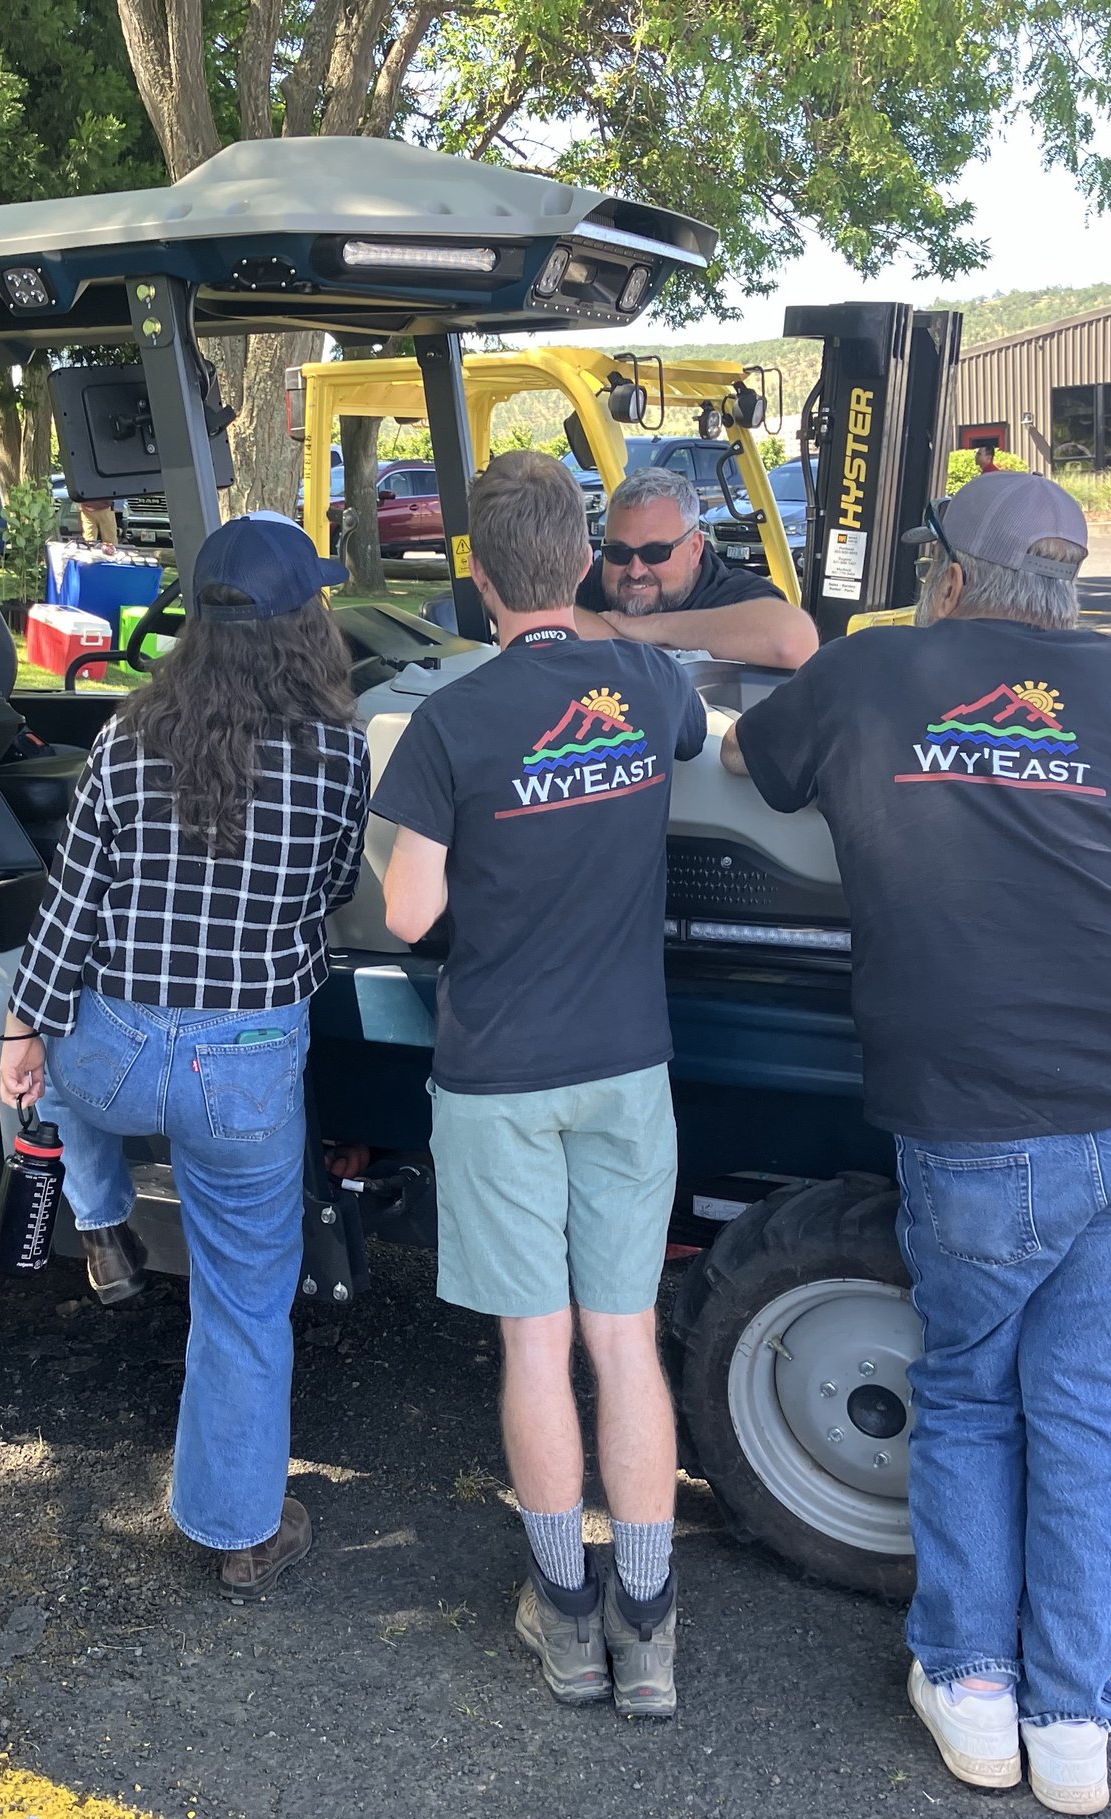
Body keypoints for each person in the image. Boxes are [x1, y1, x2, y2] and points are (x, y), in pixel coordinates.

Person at [722, 471, 1111, 1816]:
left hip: (979, 1112)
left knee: (967, 1391)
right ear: (1073, 577)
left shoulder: (874, 671)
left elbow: (743, 757)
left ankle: (970, 1683)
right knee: (1090, 1408)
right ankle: (1073, 1722)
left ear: (948, 573)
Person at [373, 451, 705, 1721]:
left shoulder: (450, 722)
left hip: (499, 1071)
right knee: (623, 1341)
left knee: (536, 1344)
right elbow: (682, 740)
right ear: (580, 560)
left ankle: (567, 1621)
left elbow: (408, 916)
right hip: (627, 1062)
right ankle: (651, 1630)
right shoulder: (644, 676)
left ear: (473, 578)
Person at [0, 514, 368, 1600]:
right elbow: (336, 885)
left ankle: (101, 1214)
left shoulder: (124, 735)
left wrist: (26, 1034)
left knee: (50, 1048)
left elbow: (70, 908)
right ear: (307, 622)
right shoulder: (338, 749)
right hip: (243, 1063)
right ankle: (238, 1532)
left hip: (110, 1055)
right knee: (243, 1307)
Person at [573, 465, 816, 667]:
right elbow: (538, 609)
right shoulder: (594, 583)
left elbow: (793, 640)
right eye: (618, 552)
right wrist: (623, 638)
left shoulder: (732, 596)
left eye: (655, 552)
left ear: (695, 548)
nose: (635, 570)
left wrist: (641, 627)